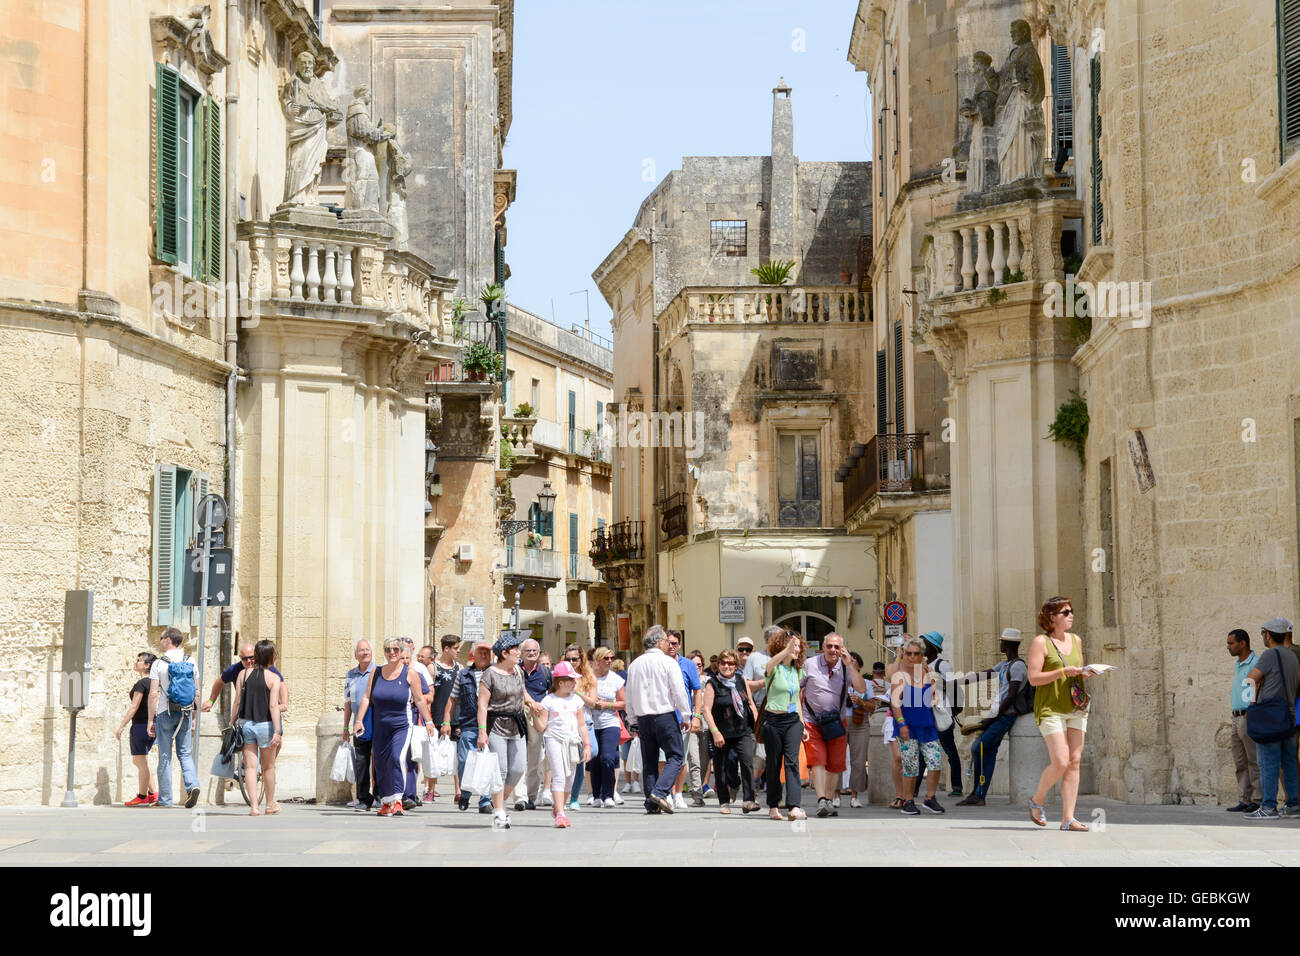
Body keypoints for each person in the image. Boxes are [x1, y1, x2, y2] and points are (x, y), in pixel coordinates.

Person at [1026, 596, 1093, 830]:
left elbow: (1077, 671)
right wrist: (1063, 671)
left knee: (1074, 762)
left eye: (1071, 611)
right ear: (1052, 617)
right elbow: (1034, 678)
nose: (1071, 615)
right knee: (1061, 760)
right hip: (1050, 708)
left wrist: (1086, 673)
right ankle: (1038, 799)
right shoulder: (1041, 643)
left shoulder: (1076, 640)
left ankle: (1068, 819)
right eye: (1065, 612)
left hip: (1076, 706)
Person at [353, 637, 433, 817]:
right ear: (384, 651)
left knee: (397, 758)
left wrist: (428, 721)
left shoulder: (409, 673)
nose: (392, 653)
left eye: (396, 649)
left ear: (401, 651)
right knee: (381, 763)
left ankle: (397, 800)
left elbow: (420, 699)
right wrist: (359, 720)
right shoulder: (377, 672)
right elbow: (366, 697)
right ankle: (386, 802)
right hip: (380, 725)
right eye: (388, 649)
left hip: (402, 725)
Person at [477, 633, 543, 829]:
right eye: (515, 649)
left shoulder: (517, 671)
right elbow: (482, 705)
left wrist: (531, 703)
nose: (518, 652)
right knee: (502, 770)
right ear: (504, 653)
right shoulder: (490, 674)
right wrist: (482, 732)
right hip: (496, 724)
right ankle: (499, 811)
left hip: (517, 724)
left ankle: (499, 801)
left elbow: (522, 691)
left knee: (518, 768)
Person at [957, 628, 1029, 807]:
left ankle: (978, 793)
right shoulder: (1005, 665)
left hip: (1005, 716)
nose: (1000, 644)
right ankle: (978, 794)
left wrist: (992, 718)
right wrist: (953, 683)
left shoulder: (1018, 666)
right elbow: (982, 675)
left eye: (1002, 641)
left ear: (1008, 644)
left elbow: (1011, 696)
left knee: (978, 748)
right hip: (998, 714)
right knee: (986, 752)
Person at [624, 625, 691, 814]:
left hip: (644, 718)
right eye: (666, 641)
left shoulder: (635, 664)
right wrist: (686, 715)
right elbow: (678, 691)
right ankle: (660, 792)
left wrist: (632, 719)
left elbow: (630, 695)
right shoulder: (668, 662)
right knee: (676, 756)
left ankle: (651, 803)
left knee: (650, 761)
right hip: (664, 716)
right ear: (660, 642)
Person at [801, 632, 866, 817]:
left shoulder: (846, 668)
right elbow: (796, 689)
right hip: (812, 721)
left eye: (837, 647)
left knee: (835, 765)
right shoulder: (810, 664)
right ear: (823, 647)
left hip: (836, 722)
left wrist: (851, 666)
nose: (833, 650)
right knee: (818, 760)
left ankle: (828, 800)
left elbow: (861, 689)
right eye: (829, 646)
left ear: (842, 649)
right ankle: (822, 799)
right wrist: (799, 718)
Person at [1244, 620, 1299, 820]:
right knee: (1289, 762)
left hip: (1271, 717)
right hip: (1290, 716)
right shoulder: (1292, 656)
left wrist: (1251, 703)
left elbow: (1251, 678)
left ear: (1268, 635)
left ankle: (1268, 807)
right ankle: (1293, 805)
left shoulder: (1269, 655)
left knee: (1268, 762)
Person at [890, 636, 945, 815]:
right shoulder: (899, 675)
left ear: (922, 655)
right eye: (909, 653)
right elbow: (895, 702)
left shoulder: (926, 672)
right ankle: (908, 800)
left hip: (927, 724)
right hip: (907, 725)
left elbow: (933, 694)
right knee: (911, 766)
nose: (912, 657)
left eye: (916, 653)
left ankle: (930, 798)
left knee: (935, 762)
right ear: (904, 654)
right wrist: (902, 724)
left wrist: (935, 699)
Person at [147, 626, 200, 809]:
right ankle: (192, 785)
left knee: (165, 755)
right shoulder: (190, 660)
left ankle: (165, 799)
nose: (160, 641)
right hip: (185, 712)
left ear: (168, 640)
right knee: (185, 753)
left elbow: (153, 694)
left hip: (165, 713)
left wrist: (150, 720)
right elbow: (197, 692)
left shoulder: (159, 664)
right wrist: (193, 718)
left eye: (161, 638)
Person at [230, 640, 284, 816]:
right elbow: (273, 706)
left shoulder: (243, 675)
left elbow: (237, 701)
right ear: (271, 658)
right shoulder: (274, 678)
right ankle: (269, 804)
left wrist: (232, 722)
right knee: (268, 767)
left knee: (250, 768)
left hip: (246, 725)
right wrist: (277, 731)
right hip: (265, 726)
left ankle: (254, 806)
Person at [704, 649, 760, 813]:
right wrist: (715, 732)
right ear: (718, 665)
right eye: (723, 663)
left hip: (743, 730)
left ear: (736, 665)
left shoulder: (741, 680)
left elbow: (750, 703)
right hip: (722, 733)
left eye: (730, 663)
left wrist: (757, 725)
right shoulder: (712, 683)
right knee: (722, 766)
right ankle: (724, 801)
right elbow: (706, 710)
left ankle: (749, 800)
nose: (726, 666)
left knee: (747, 762)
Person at [536, 661, 591, 828]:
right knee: (559, 775)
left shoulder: (577, 700)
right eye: (571, 680)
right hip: (554, 739)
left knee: (570, 778)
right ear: (561, 683)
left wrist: (587, 745)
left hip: (573, 742)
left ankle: (558, 806)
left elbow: (582, 724)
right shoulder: (548, 700)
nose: (575, 683)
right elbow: (541, 726)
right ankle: (561, 813)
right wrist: (534, 716)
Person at [762, 628, 808, 821]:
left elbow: (797, 698)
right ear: (783, 646)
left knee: (792, 762)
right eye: (793, 645)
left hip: (792, 721)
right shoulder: (773, 668)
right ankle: (773, 806)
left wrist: (802, 723)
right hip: (773, 720)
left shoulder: (798, 671)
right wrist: (786, 650)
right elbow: (769, 663)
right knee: (773, 764)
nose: (796, 649)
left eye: (798, 646)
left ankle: (794, 806)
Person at [446, 641, 493, 813]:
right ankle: (465, 792)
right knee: (465, 761)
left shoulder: (495, 673)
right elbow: (452, 699)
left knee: (487, 763)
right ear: (473, 655)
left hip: (491, 725)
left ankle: (485, 801)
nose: (483, 656)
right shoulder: (463, 674)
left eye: (487, 653)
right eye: (480, 652)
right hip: (469, 724)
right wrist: (446, 722)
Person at [919, 631, 963, 797]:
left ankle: (957, 787)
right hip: (926, 713)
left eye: (924, 644)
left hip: (941, 712)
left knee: (950, 750)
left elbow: (951, 686)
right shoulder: (921, 664)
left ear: (932, 648)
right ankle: (914, 789)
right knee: (922, 752)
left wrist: (933, 677)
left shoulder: (943, 665)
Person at [663, 630, 703, 809]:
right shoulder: (660, 663)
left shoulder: (688, 665)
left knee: (681, 759)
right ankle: (667, 792)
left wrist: (697, 715)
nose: (671, 646)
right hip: (663, 717)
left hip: (683, 719)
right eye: (668, 643)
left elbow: (697, 691)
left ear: (679, 645)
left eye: (675, 643)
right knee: (663, 759)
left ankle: (678, 793)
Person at [1225, 628, 1260, 813]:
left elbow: (1259, 688)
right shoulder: (1238, 664)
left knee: (1253, 759)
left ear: (1243, 643)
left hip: (1248, 716)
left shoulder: (1256, 663)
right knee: (1240, 761)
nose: (1228, 647)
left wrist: (1252, 710)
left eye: (1231, 643)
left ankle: (1257, 799)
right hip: (1235, 716)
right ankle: (1244, 799)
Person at [116, 652, 158, 806]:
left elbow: (134, 707)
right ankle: (154, 794)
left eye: (139, 661)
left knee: (140, 761)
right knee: (141, 761)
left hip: (140, 725)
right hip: (153, 724)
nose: (136, 662)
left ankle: (142, 796)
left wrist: (121, 726)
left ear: (147, 665)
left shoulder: (141, 684)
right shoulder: (154, 682)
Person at [201, 641, 286, 715]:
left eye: (251, 657)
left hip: (269, 712)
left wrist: (284, 703)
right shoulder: (235, 669)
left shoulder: (266, 667)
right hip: (247, 714)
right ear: (240, 658)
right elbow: (220, 681)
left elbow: (281, 684)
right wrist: (211, 701)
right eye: (245, 659)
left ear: (256, 655)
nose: (248, 661)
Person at [589, 648, 627, 807]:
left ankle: (609, 794)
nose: (610, 660)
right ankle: (597, 795)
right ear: (597, 660)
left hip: (610, 723)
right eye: (606, 658)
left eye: (612, 657)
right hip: (591, 723)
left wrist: (606, 704)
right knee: (594, 760)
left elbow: (623, 703)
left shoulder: (616, 679)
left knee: (608, 758)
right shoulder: (589, 678)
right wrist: (590, 700)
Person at [426, 635, 462, 803]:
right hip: (438, 716)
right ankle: (431, 790)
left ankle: (459, 791)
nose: (458, 651)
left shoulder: (460, 668)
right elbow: (428, 694)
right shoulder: (433, 668)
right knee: (435, 754)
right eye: (456, 648)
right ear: (446, 648)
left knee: (458, 756)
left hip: (456, 717)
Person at [516, 638, 551, 810]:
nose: (531, 654)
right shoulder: (515, 670)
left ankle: (530, 796)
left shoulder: (545, 672)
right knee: (518, 757)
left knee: (535, 759)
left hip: (538, 717)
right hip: (518, 715)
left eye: (534, 651)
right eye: (528, 651)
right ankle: (520, 797)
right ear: (521, 653)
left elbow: (552, 693)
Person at [563, 644, 599, 809]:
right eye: (568, 659)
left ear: (581, 659)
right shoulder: (561, 675)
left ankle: (574, 797)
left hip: (586, 722)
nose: (571, 662)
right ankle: (571, 797)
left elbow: (592, 702)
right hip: (567, 724)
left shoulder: (588, 677)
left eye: (574, 659)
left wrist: (577, 691)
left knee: (591, 752)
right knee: (573, 763)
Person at [342, 639, 376, 811]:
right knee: (361, 760)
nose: (365, 653)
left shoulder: (378, 672)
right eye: (361, 650)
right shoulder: (350, 675)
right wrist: (346, 727)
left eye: (368, 650)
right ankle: (363, 797)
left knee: (378, 759)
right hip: (358, 721)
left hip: (376, 719)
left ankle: (379, 794)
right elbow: (348, 702)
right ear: (356, 655)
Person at [742, 630, 774, 787]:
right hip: (761, 709)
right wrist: (763, 682)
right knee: (760, 754)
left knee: (777, 753)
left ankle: (776, 791)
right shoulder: (755, 658)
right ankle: (752, 785)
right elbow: (746, 684)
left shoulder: (786, 658)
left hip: (782, 710)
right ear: (769, 641)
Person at [844, 651, 874, 808]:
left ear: (859, 666)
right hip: (840, 721)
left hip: (859, 721)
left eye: (853, 661)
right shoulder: (838, 680)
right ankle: (835, 794)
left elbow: (873, 707)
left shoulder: (866, 684)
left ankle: (855, 796)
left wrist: (861, 703)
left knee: (859, 760)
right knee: (837, 759)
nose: (849, 663)